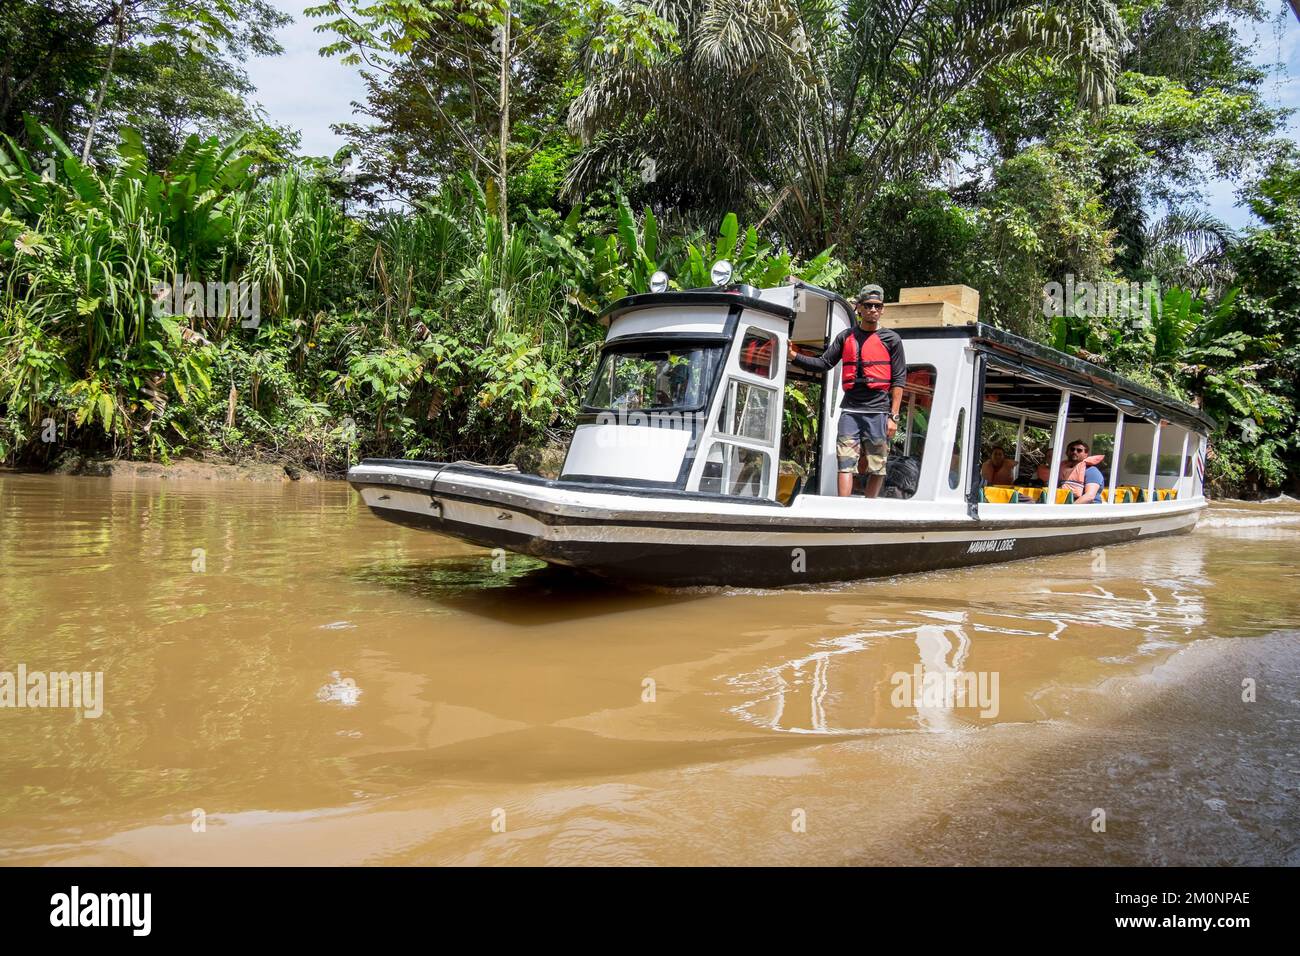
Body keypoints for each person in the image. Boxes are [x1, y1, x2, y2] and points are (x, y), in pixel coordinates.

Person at [787, 284, 906, 497]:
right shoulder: (846, 337)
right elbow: (824, 363)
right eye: (868, 305)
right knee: (845, 461)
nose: (873, 310)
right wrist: (794, 356)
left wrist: (893, 417)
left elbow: (899, 380)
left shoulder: (892, 340)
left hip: (878, 411)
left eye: (877, 306)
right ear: (859, 308)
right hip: (850, 411)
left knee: (877, 465)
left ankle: (868, 508)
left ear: (882, 309)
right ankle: (844, 506)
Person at [1040, 440, 1106, 503]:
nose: (1075, 452)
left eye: (1079, 450)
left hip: (1087, 509)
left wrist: (1067, 509)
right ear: (1067, 452)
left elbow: (1089, 496)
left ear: (1086, 455)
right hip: (1065, 505)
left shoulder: (1092, 471)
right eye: (1072, 449)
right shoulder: (1062, 469)